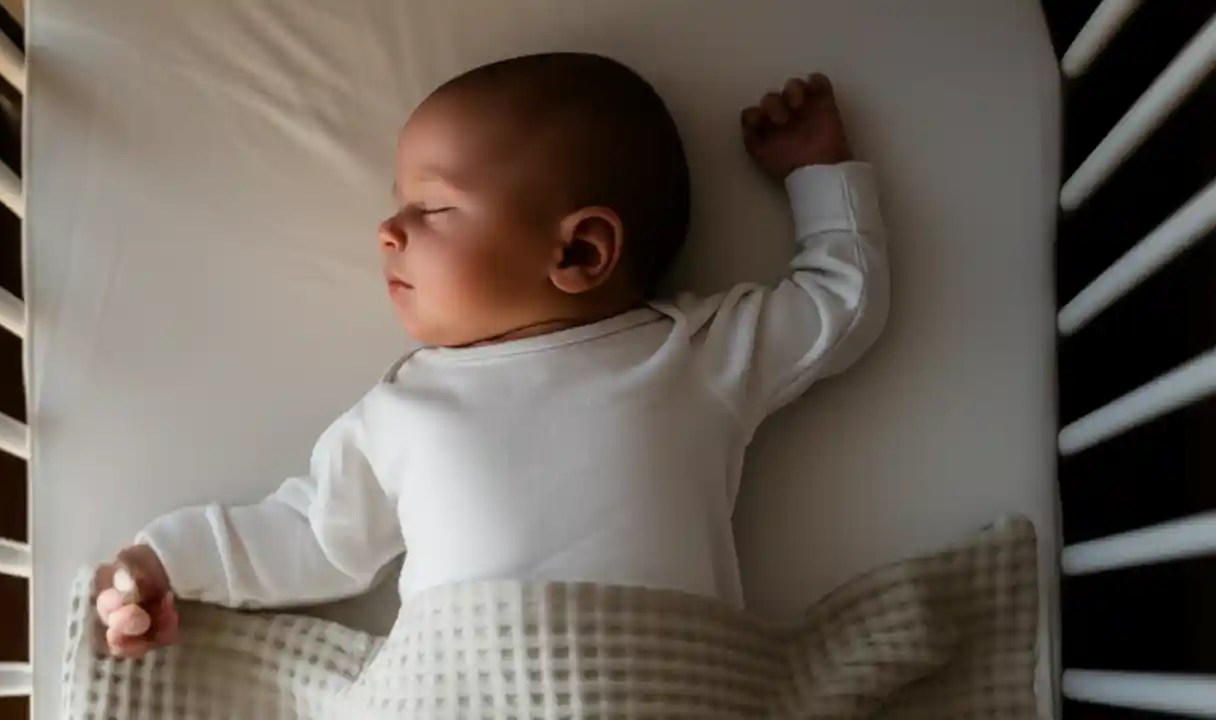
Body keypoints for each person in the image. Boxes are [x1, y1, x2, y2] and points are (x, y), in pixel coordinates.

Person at [94, 53, 888, 659]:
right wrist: (165, 559)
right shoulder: (401, 410)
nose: (389, 230)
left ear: (579, 250)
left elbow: (838, 307)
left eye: (434, 206)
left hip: (659, 680)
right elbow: (311, 536)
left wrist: (818, 174)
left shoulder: (695, 355)